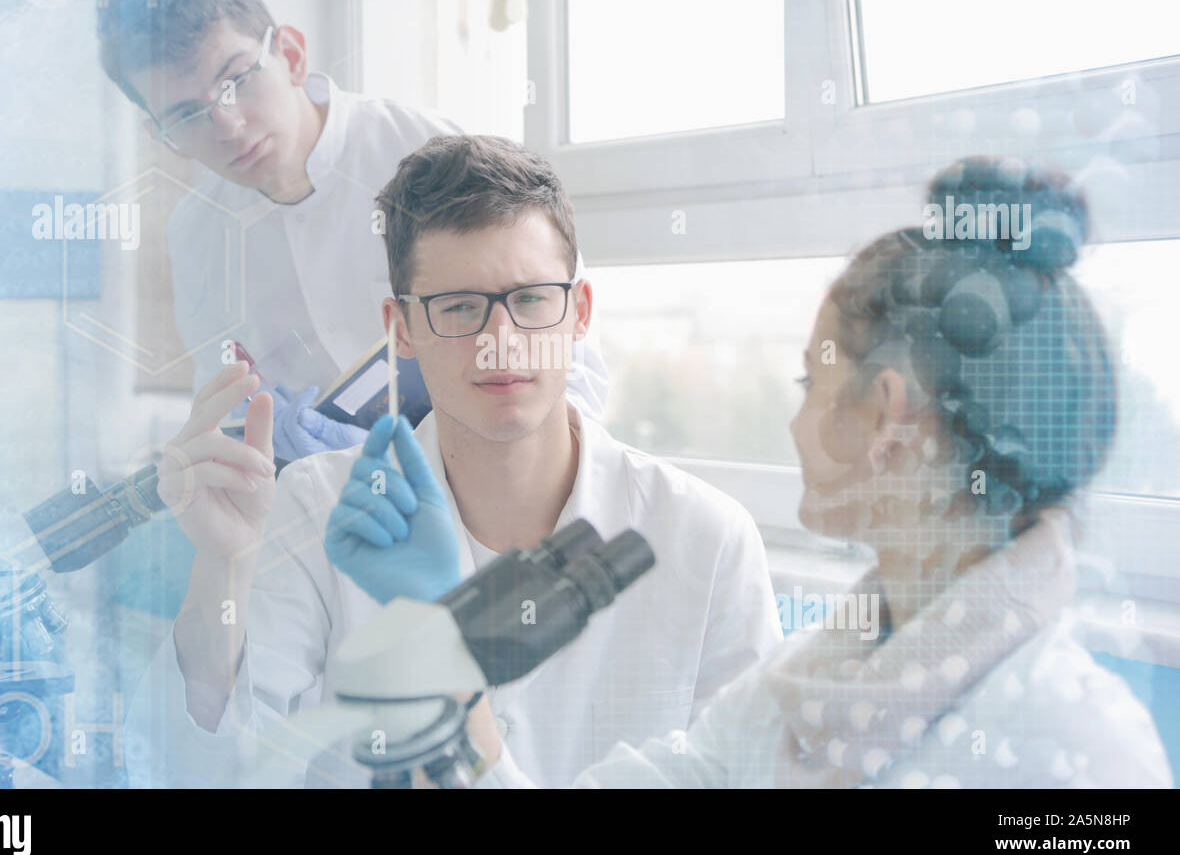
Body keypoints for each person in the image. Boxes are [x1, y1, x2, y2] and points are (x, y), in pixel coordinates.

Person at [454, 156, 1173, 788]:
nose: (796, 426)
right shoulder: (803, 687)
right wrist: (451, 704)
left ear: (887, 415)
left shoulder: (1077, 742)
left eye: (811, 384)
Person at [125, 135, 781, 787]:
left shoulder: (708, 539)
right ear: (401, 328)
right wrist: (221, 568)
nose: (501, 343)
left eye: (530, 300)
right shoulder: (320, 504)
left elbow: (759, 774)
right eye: (461, 307)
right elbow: (202, 770)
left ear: (578, 312)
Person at [96, 0, 608, 462]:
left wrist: (421, 458)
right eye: (186, 114)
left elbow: (573, 375)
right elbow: (225, 408)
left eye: (236, 80)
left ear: (291, 55)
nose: (227, 125)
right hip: (320, 519)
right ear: (160, 136)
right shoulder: (198, 234)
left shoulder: (430, 152)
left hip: (486, 504)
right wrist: (258, 441)